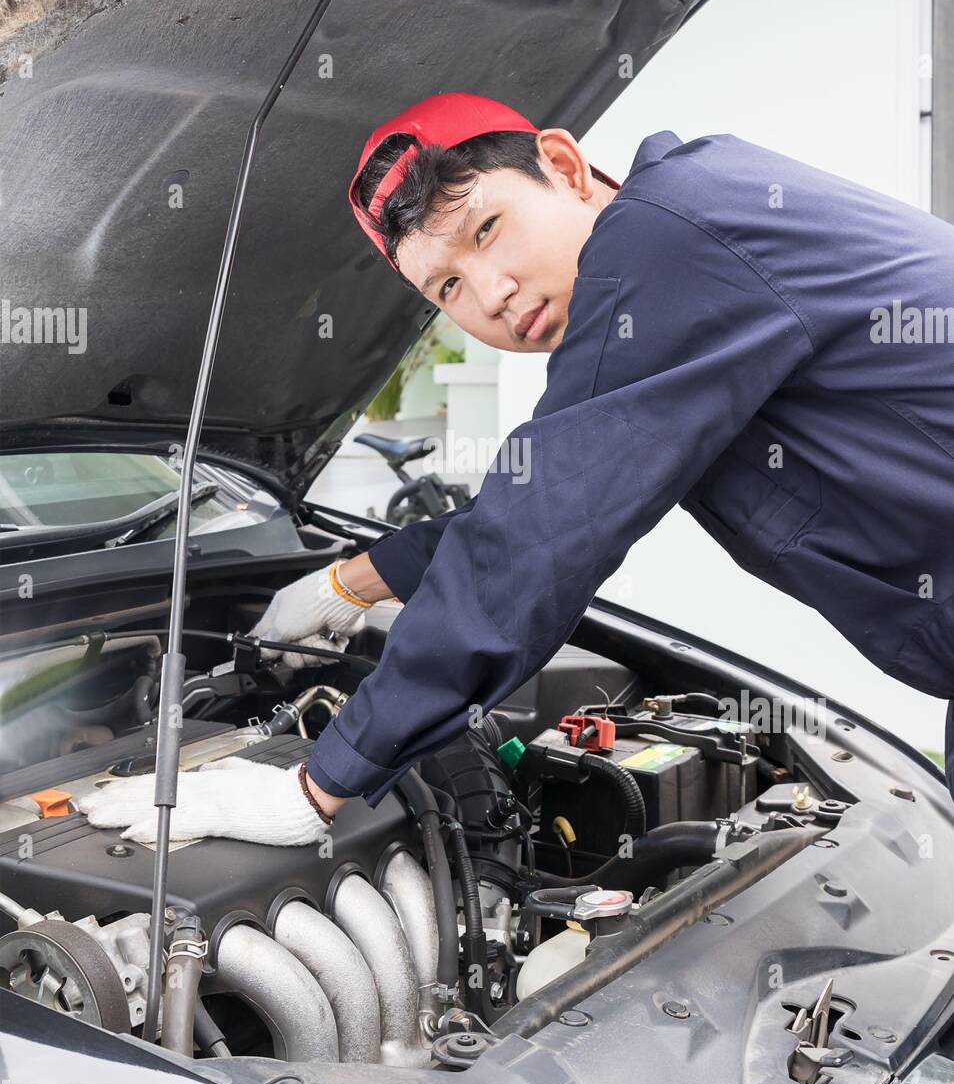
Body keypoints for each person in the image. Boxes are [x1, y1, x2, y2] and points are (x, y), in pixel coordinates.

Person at [80, 92, 954, 843]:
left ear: (566, 167)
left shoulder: (667, 248)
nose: (489, 292)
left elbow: (539, 538)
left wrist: (313, 787)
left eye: (488, 230)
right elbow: (559, 495)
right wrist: (356, 579)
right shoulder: (688, 227)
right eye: (447, 288)